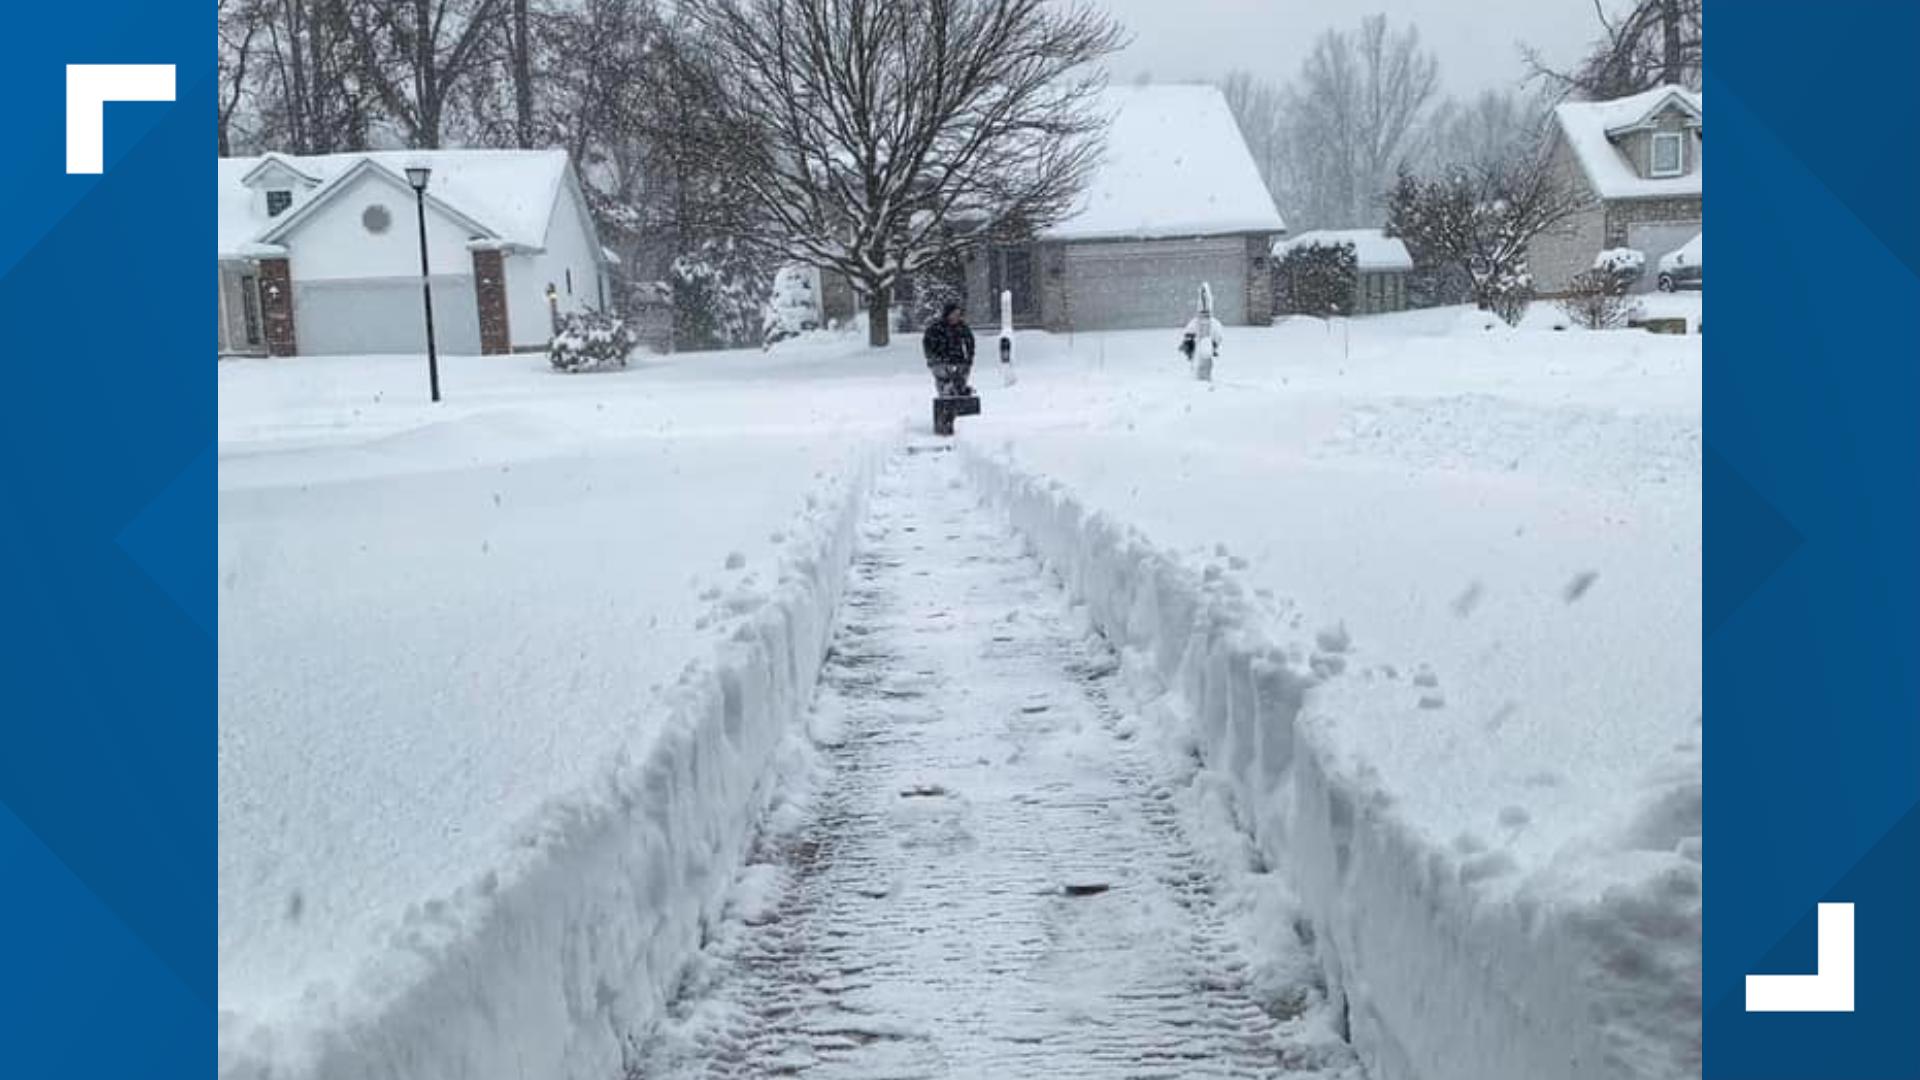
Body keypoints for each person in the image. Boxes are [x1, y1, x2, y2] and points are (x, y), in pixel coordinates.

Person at [923, 302, 976, 397]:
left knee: (960, 377)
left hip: (958, 360)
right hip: (940, 361)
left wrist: (969, 359)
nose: (957, 317)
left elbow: (970, 343)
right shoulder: (935, 328)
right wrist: (933, 359)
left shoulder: (962, 327)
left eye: (958, 314)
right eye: (954, 314)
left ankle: (960, 389)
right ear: (948, 314)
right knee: (943, 378)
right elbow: (928, 345)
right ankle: (946, 390)